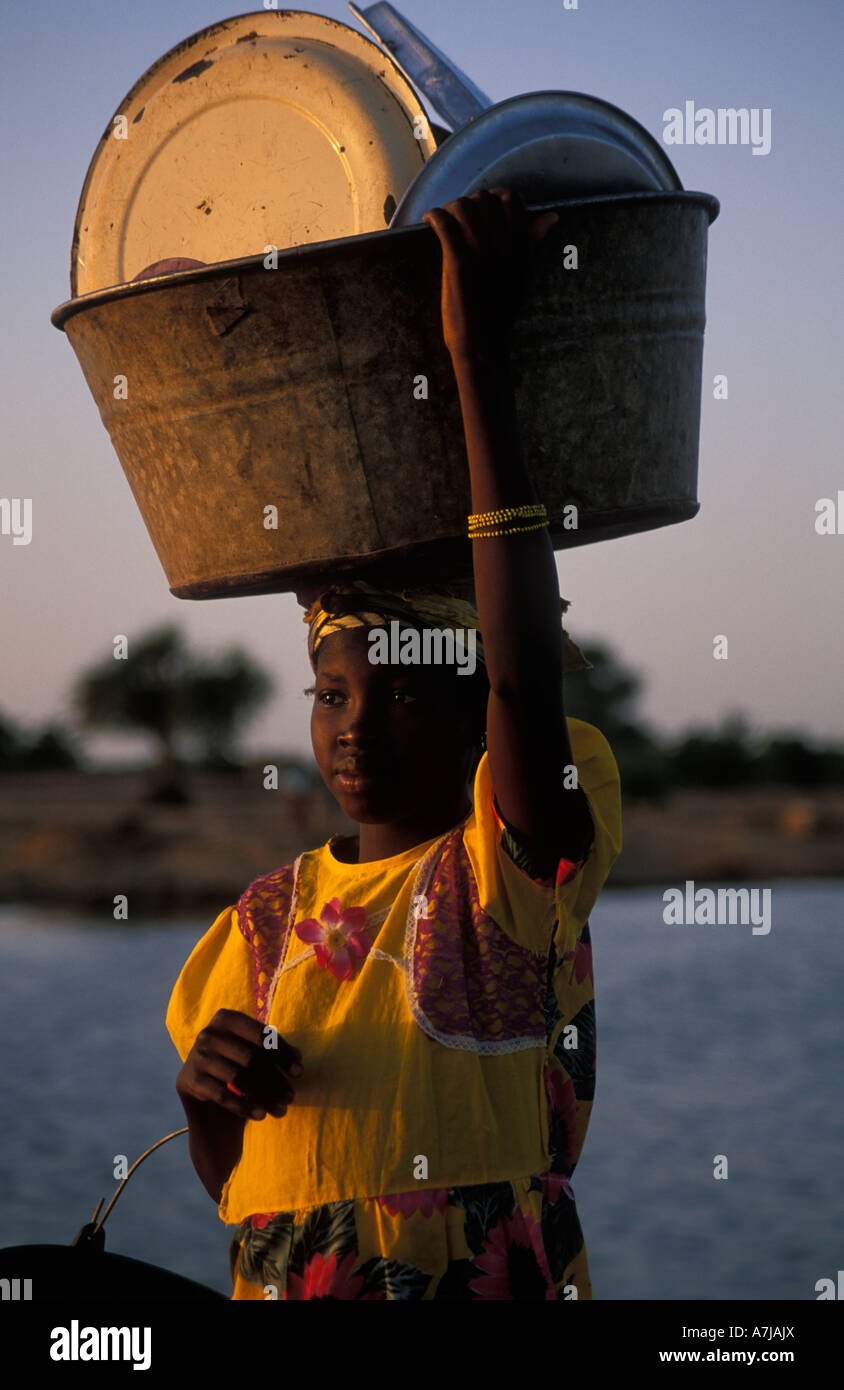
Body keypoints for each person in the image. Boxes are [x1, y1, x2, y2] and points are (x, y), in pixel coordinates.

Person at [166, 188, 622, 1300]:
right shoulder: (260, 924)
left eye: (407, 696)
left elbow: (519, 668)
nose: (355, 723)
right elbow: (241, 1194)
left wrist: (476, 364)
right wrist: (202, 1099)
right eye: (330, 692)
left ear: (482, 718)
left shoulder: (500, 881)